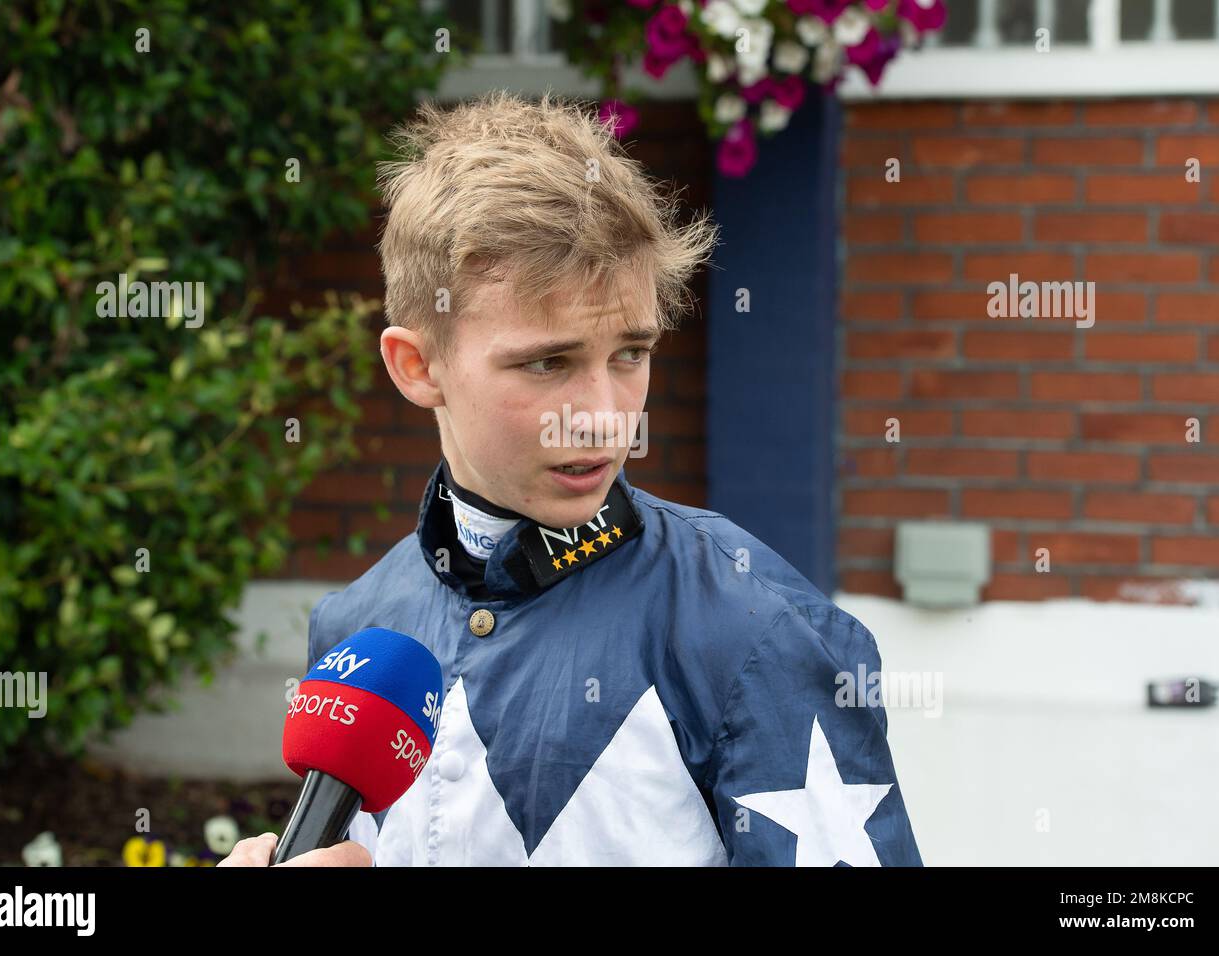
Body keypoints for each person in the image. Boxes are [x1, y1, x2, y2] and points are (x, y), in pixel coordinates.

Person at [222, 90, 922, 867]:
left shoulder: (756, 629)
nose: (602, 416)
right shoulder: (357, 630)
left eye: (630, 353)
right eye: (548, 361)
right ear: (416, 367)